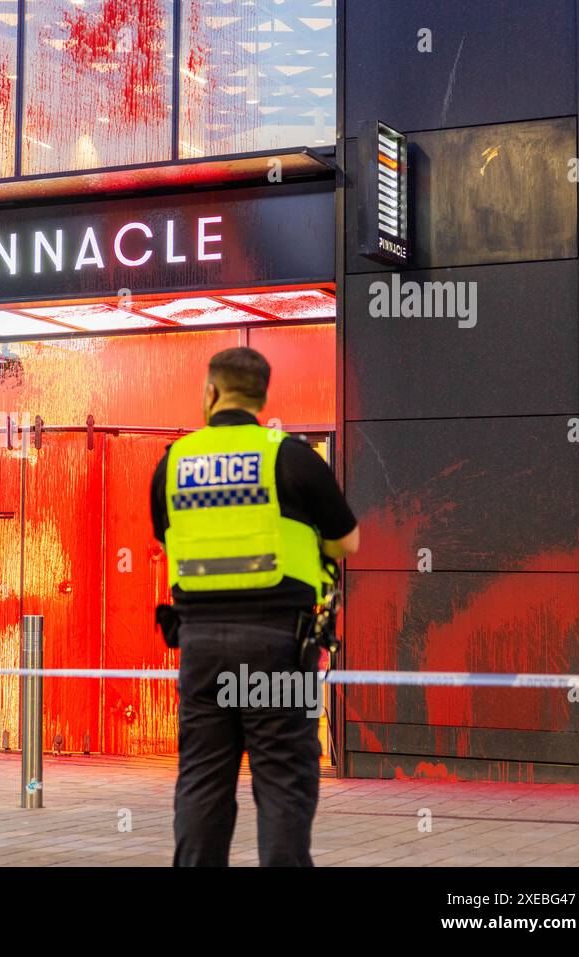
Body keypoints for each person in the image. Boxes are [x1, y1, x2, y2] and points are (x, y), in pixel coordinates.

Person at [149, 346, 359, 867]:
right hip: (278, 648)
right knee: (284, 781)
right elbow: (347, 540)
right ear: (262, 398)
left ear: (211, 393)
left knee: (201, 779)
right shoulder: (289, 456)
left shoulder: (174, 462)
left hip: (200, 646)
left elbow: (165, 535)